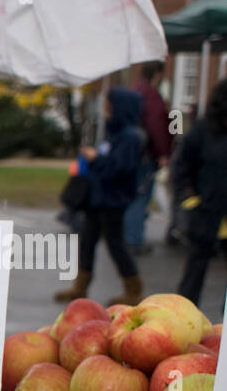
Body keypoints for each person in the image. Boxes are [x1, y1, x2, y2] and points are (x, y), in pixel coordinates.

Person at [55, 89, 145, 304]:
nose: (105, 109)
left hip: (113, 200)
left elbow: (119, 169)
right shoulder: (112, 134)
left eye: (109, 104)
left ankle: (133, 289)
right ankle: (80, 286)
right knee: (87, 242)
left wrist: (96, 158)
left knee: (115, 244)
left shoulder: (130, 137)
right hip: (97, 199)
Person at [172, 78, 227, 306]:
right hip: (206, 209)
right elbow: (182, 166)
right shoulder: (203, 131)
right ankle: (183, 316)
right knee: (195, 270)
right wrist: (190, 198)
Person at [125, 63, 172, 254]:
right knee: (141, 196)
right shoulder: (151, 96)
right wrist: (162, 152)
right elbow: (156, 126)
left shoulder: (134, 91)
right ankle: (133, 239)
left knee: (133, 195)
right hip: (145, 154)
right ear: (158, 73)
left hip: (131, 153)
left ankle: (129, 236)